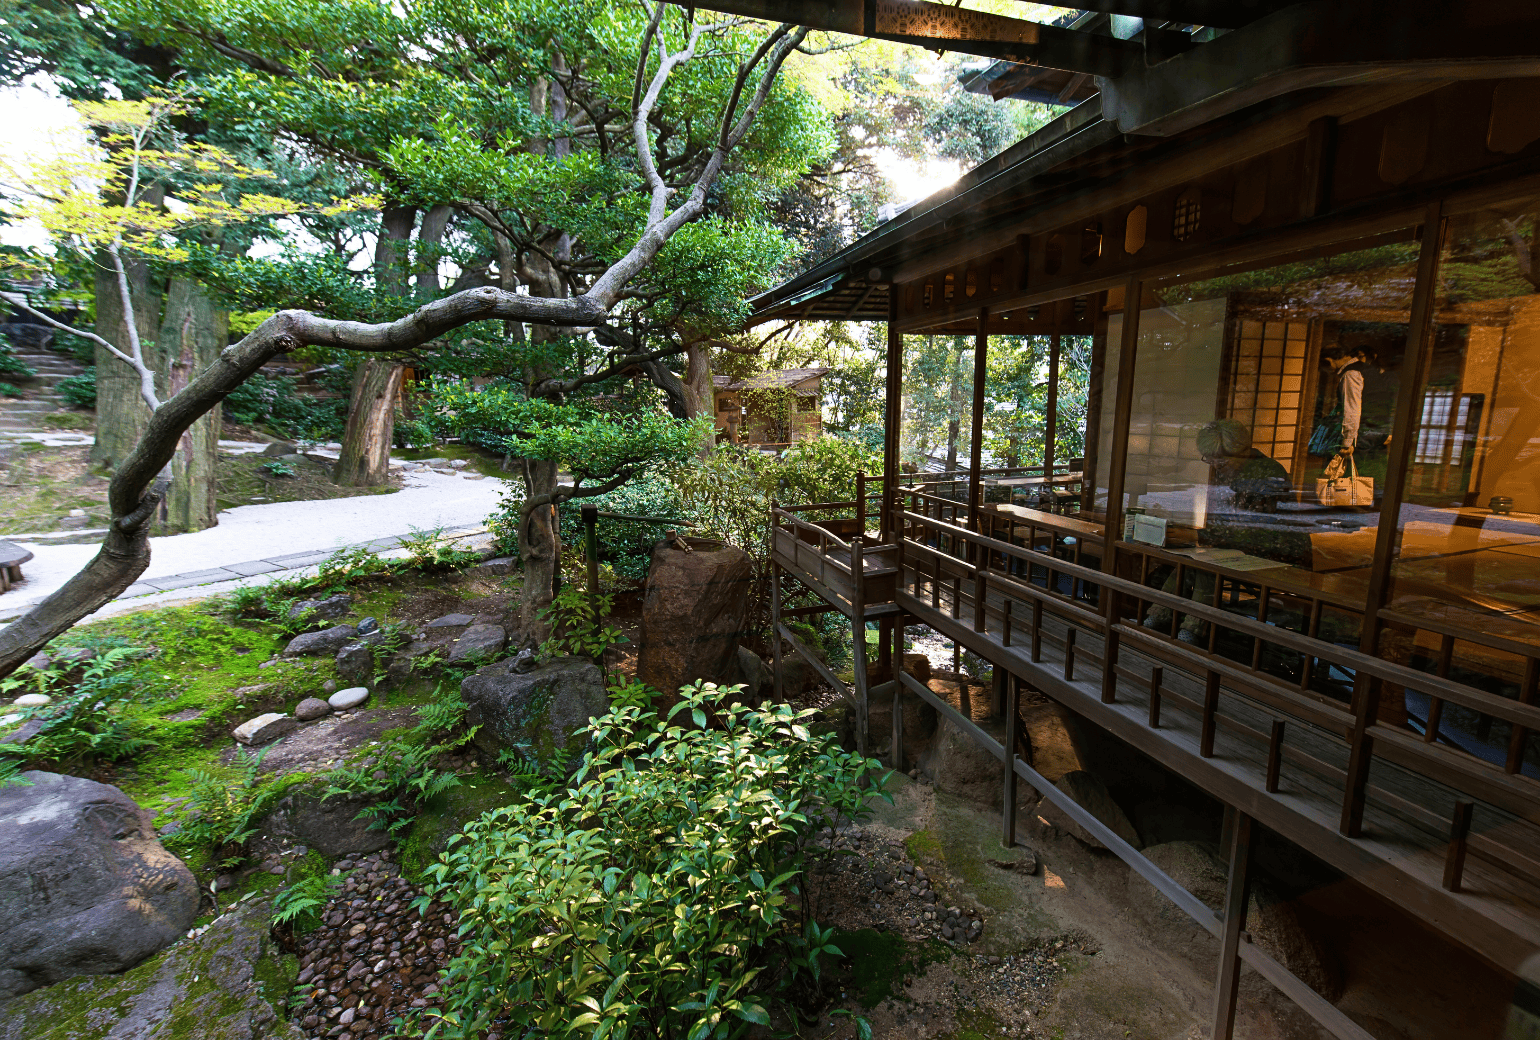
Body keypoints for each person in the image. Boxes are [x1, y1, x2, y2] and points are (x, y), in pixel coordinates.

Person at [1144, 420, 1307, 643]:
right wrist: (1193, 536)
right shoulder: (1228, 470)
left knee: (1208, 567)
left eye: (1220, 459)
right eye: (1210, 458)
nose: (1214, 464)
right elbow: (1223, 523)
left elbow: (1255, 531)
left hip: (1277, 551)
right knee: (1189, 561)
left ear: (1243, 451)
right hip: (1241, 546)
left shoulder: (1268, 474)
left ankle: (1191, 630)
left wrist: (1200, 536)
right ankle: (1158, 616)